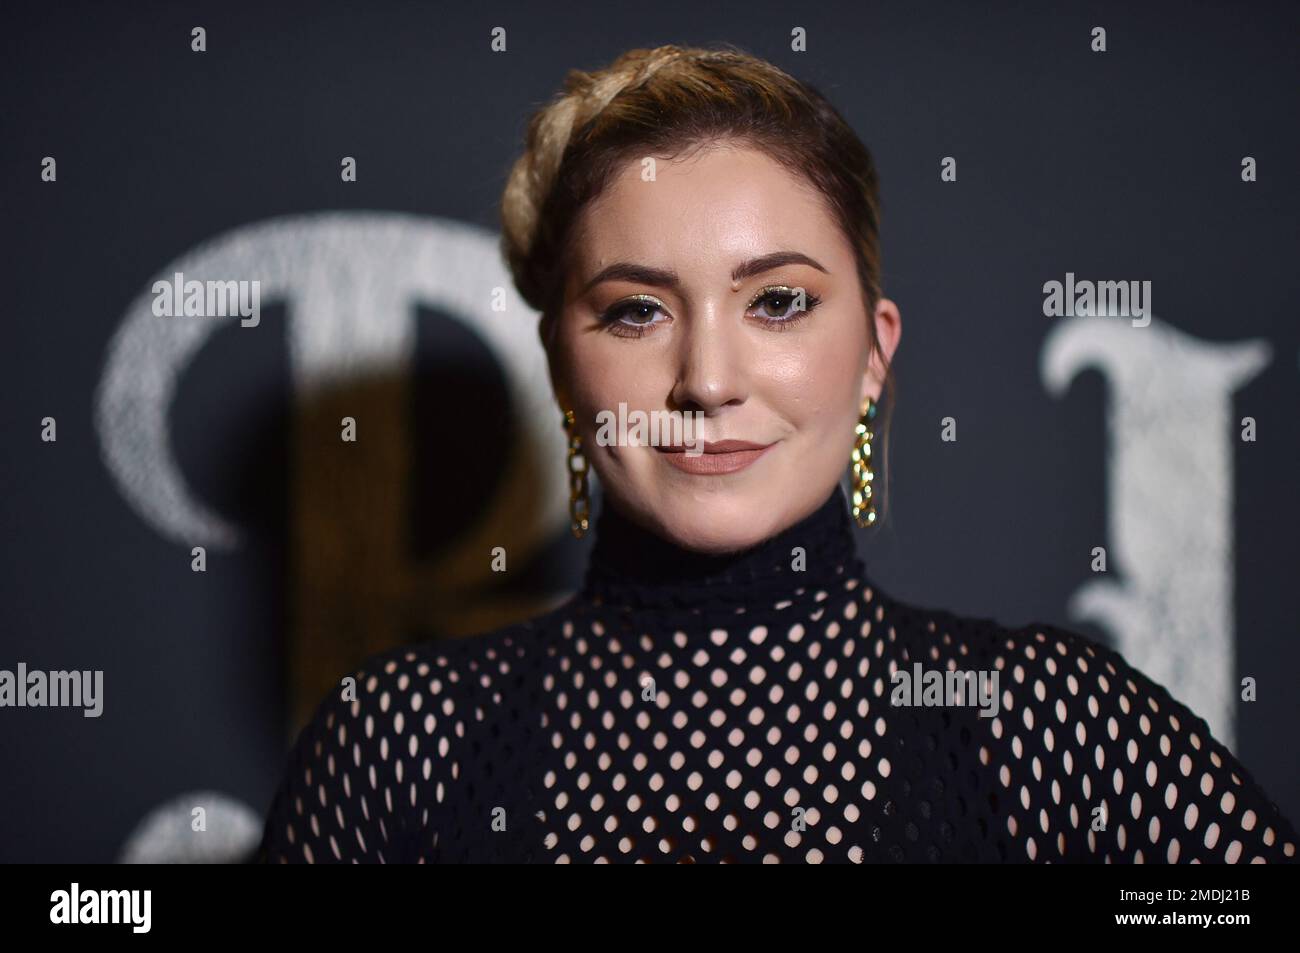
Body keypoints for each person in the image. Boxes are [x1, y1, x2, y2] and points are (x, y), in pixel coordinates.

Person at [255, 43, 1296, 863]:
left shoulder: (1052, 724)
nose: (708, 378)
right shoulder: (401, 743)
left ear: (873, 353)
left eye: (778, 301)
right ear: (561, 370)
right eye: (633, 311)